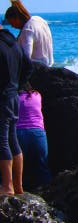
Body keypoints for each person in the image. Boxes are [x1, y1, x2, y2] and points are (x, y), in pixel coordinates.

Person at [1, 19, 32, 195]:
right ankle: (18, 186)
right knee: (12, 139)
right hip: (14, 96)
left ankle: (7, 186)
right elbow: (28, 67)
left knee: (2, 140)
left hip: (3, 97)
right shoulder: (13, 42)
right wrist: (17, 86)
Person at [17, 83, 51, 189]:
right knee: (42, 165)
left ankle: (16, 189)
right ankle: (47, 190)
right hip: (38, 133)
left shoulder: (14, 98)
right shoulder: (37, 95)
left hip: (19, 133)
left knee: (17, 166)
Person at [4, 0, 54, 67]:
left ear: (17, 19)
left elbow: (26, 57)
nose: (12, 26)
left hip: (38, 68)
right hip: (49, 64)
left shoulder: (27, 30)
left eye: (12, 23)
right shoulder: (39, 19)